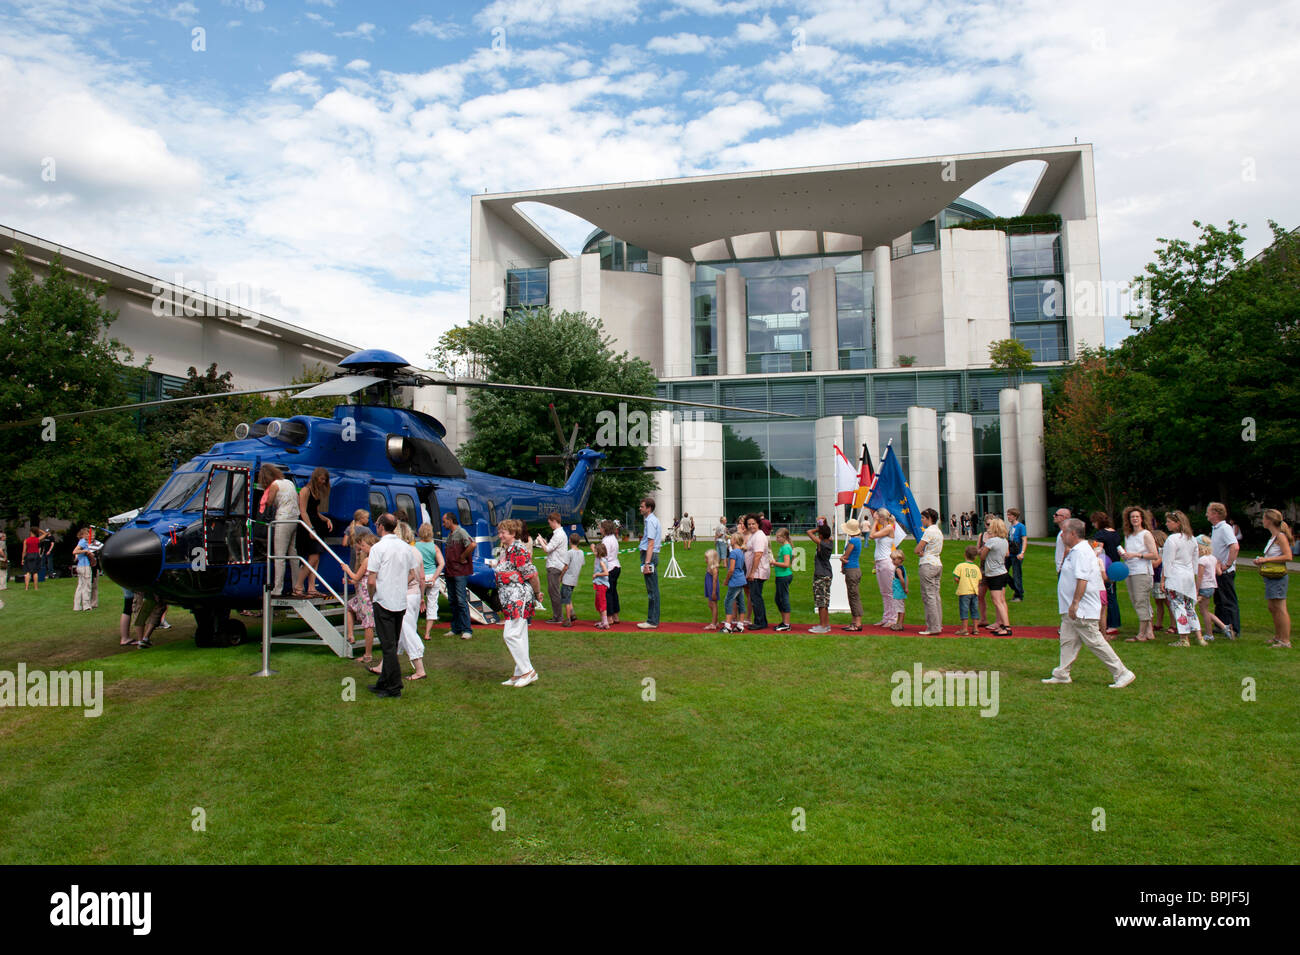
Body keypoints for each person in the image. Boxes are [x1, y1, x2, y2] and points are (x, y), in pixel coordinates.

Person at [1043, 518, 1135, 687]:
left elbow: (1082, 578)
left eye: (1063, 532)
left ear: (1072, 533)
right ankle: (1062, 673)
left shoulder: (1081, 552)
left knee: (1094, 640)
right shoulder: (1076, 551)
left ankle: (1122, 672)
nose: (1061, 535)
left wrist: (1075, 603)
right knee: (1068, 640)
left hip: (1082, 608)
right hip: (1072, 609)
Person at [365, 513, 415, 698]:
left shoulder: (378, 548)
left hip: (384, 600)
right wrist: (399, 583)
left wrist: (373, 596)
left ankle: (394, 686)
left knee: (388, 645)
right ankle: (384, 682)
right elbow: (412, 574)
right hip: (399, 600)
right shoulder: (405, 547)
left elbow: (371, 580)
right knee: (391, 643)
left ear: (380, 526)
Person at [494, 518, 541, 686]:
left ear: (513, 533)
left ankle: (528, 671)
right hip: (510, 599)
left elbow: (531, 573)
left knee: (511, 634)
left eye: (503, 532)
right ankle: (519, 673)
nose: (500, 535)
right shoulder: (505, 550)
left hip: (519, 597)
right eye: (499, 532)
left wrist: (537, 593)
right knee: (519, 635)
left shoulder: (517, 549)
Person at [1162, 510, 1205, 647]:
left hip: (1175, 576)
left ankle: (1184, 638)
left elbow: (1168, 561)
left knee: (1178, 606)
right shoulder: (1191, 539)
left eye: (1169, 521)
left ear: (1177, 523)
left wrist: (1163, 579)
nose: (1167, 524)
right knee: (1190, 607)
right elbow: (1195, 560)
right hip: (1188, 576)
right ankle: (1199, 637)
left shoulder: (1172, 539)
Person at [257, 464, 300, 598]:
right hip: (295, 518)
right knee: (293, 554)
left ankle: (277, 588)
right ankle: (297, 587)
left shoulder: (274, 485)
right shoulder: (288, 482)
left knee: (279, 555)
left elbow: (269, 502)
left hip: (283, 519)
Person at [1121, 506, 1159, 643]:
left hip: (1142, 572)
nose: (1135, 519)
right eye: (1132, 517)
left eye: (1137, 516)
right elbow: (1129, 553)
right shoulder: (1129, 535)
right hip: (1130, 571)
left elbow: (1154, 554)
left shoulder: (1146, 534)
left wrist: (1137, 555)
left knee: (1141, 600)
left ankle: (1141, 634)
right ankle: (1149, 630)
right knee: (1136, 601)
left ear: (1142, 519)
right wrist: (1125, 555)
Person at [293, 467, 333, 598]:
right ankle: (298, 585)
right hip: (307, 526)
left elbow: (315, 512)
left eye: (325, 480)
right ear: (315, 478)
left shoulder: (317, 493)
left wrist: (326, 519)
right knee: (313, 557)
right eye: (321, 479)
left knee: (316, 559)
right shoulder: (305, 490)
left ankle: (311, 587)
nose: (323, 482)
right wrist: (310, 528)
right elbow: (303, 511)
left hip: (316, 524)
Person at [1255, 508, 1292, 648]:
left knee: (1280, 607)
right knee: (1273, 607)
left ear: (1269, 520)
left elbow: (1288, 556)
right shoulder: (1273, 538)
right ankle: (1278, 636)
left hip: (1278, 577)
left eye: (1264, 518)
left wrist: (1265, 560)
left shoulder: (1280, 537)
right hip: (1271, 576)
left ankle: (1285, 640)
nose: (1262, 521)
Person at [1206, 503, 1242, 640]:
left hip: (1225, 572)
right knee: (1219, 599)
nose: (1206, 515)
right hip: (1217, 570)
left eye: (1208, 512)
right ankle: (1221, 624)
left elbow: (1234, 547)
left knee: (1228, 599)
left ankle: (1234, 627)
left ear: (1215, 513)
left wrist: (1227, 564)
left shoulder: (1225, 528)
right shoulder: (1216, 528)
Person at [342, 532, 376, 661]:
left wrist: (347, 569)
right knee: (349, 607)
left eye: (363, 545)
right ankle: (350, 634)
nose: (362, 548)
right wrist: (352, 581)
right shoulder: (377, 559)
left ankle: (368, 655)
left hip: (366, 595)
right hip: (364, 593)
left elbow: (357, 576)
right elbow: (361, 578)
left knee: (368, 624)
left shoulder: (368, 560)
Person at [442, 512, 474, 640]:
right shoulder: (450, 535)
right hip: (450, 571)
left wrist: (462, 556)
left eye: (444, 521)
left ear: (450, 521)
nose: (443, 524)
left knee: (461, 601)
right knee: (452, 601)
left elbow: (472, 544)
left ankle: (467, 629)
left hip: (460, 572)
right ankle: (456, 627)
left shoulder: (461, 532)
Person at [1090, 511, 1123, 635]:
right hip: (1114, 567)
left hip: (1104, 567)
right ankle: (1112, 622)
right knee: (1112, 595)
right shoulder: (1115, 533)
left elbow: (1097, 549)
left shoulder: (1101, 534)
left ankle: (1112, 624)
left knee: (1108, 597)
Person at [980, 517, 1012, 636]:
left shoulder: (991, 541)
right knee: (1002, 601)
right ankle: (1004, 624)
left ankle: (1007, 627)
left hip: (994, 574)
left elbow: (983, 556)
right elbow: (1007, 554)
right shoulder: (1004, 540)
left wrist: (984, 549)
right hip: (1002, 571)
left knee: (997, 601)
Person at [1195, 535, 1230, 641]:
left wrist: (1196, 590)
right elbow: (1219, 572)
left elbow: (1199, 577)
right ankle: (1224, 627)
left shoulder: (1202, 560)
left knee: (1204, 611)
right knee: (1205, 610)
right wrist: (1219, 564)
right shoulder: (1213, 558)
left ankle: (1210, 634)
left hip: (1204, 587)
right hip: (1212, 587)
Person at [914, 507, 944, 635]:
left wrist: (920, 551)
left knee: (929, 596)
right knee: (935, 595)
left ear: (929, 519)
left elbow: (917, 548)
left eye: (923, 518)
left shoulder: (929, 531)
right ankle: (938, 624)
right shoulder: (938, 531)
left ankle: (933, 627)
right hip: (937, 562)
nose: (921, 520)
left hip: (928, 563)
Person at [415, 523, 445, 640]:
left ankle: (413, 630)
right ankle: (427, 633)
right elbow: (441, 563)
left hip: (419, 578)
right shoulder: (434, 547)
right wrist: (434, 577)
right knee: (432, 604)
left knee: (415, 604)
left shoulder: (415, 546)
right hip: (432, 577)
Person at [869, 508, 896, 628]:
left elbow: (871, 535)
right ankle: (886, 617)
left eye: (877, 517)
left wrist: (874, 522)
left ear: (882, 518)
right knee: (884, 592)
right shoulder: (884, 528)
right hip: (880, 562)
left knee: (889, 592)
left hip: (886, 561)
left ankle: (893, 618)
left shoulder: (889, 528)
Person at [637, 497, 663, 629]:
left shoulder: (651, 521)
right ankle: (652, 619)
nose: (640, 508)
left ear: (649, 508)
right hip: (650, 555)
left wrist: (647, 563)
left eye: (642, 506)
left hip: (650, 556)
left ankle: (652, 621)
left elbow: (651, 543)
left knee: (652, 590)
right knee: (652, 589)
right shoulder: (651, 520)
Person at [744, 515, 771, 631]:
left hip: (758, 572)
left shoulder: (759, 536)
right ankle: (761, 621)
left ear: (758, 524)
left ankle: (760, 622)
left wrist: (752, 572)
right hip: (756, 571)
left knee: (756, 597)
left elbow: (758, 554)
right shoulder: (754, 535)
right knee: (756, 597)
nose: (751, 526)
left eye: (753, 523)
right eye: (749, 524)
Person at [541, 511, 568, 624]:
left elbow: (547, 549)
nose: (549, 525)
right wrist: (544, 542)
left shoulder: (558, 534)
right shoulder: (560, 534)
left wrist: (540, 542)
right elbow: (551, 547)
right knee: (554, 591)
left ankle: (558, 617)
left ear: (555, 521)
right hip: (557, 565)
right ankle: (558, 615)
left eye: (550, 522)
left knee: (554, 592)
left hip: (555, 565)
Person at [807, 524, 833, 634]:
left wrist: (817, 529)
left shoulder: (821, 544)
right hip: (827, 573)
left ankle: (822, 626)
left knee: (821, 601)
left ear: (821, 535)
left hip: (821, 574)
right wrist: (822, 527)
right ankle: (826, 624)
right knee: (825, 600)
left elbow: (809, 532)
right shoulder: (830, 542)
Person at [841, 517, 865, 632]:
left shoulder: (853, 541)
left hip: (852, 570)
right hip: (854, 569)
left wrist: (842, 558)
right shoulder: (857, 540)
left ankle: (857, 623)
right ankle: (854, 621)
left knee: (854, 596)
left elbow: (846, 556)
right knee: (853, 596)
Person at [952, 545, 982, 635]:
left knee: (964, 609)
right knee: (974, 609)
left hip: (964, 591)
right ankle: (975, 628)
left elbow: (956, 577)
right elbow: (979, 580)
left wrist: (961, 582)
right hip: (974, 591)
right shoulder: (976, 568)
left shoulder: (960, 566)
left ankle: (964, 628)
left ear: (965, 555)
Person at [722, 532, 748, 634]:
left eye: (731, 538)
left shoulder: (733, 553)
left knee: (728, 601)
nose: (730, 539)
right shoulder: (741, 552)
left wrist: (726, 580)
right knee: (740, 602)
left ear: (735, 541)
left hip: (735, 580)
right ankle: (740, 625)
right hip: (741, 579)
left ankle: (727, 626)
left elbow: (731, 569)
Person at [771, 527, 794, 632]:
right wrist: (776, 562)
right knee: (778, 599)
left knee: (783, 598)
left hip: (783, 576)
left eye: (778, 537)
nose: (777, 539)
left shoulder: (785, 547)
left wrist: (773, 562)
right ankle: (784, 621)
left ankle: (786, 623)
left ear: (784, 537)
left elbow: (786, 564)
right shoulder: (785, 547)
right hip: (781, 575)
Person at [599, 519, 622, 625]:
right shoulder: (613, 538)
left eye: (601, 528)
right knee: (613, 591)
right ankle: (615, 615)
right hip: (616, 565)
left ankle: (609, 617)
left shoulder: (606, 540)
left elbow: (604, 555)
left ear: (605, 529)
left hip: (609, 567)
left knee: (607, 592)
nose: (600, 529)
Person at [560, 533, 585, 627]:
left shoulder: (569, 553)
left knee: (566, 599)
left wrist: (560, 576)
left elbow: (566, 566)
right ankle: (572, 613)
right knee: (568, 596)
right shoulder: (581, 552)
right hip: (575, 578)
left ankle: (568, 619)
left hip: (567, 578)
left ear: (570, 541)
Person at [1006, 507, 1027, 602]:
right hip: (1010, 553)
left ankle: (1018, 595)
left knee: (1016, 574)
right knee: (1003, 571)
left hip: (1017, 553)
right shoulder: (1011, 527)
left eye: (1010, 515)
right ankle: (1016, 588)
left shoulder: (1020, 526)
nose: (1008, 517)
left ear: (1015, 516)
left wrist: (1022, 552)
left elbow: (1024, 539)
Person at [72, 529, 94, 611]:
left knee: (80, 586)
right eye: (87, 534)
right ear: (82, 535)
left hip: (80, 566)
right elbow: (75, 551)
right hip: (85, 566)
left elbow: (76, 554)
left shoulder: (81, 542)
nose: (88, 535)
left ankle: (77, 606)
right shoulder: (83, 542)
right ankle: (86, 605)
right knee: (87, 586)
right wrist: (86, 551)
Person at [592, 540, 611, 630]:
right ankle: (603, 621)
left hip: (601, 585)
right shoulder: (599, 558)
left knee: (602, 603)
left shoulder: (601, 562)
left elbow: (606, 573)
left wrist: (596, 574)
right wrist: (593, 547)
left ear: (599, 553)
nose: (594, 552)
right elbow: (594, 551)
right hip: (599, 584)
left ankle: (605, 622)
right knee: (598, 603)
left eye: (595, 551)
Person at [23, 526, 47, 590]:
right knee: (35, 572)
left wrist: (22, 559)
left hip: (28, 555)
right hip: (36, 555)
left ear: (30, 532)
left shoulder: (26, 540)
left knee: (28, 572)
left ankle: (26, 587)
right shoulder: (37, 539)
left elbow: (24, 551)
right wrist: (39, 530)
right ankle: (36, 587)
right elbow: (45, 534)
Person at [702, 547, 721, 631]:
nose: (705, 560)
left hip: (713, 587)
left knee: (713, 604)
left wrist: (713, 592)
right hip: (709, 586)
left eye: (706, 558)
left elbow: (715, 581)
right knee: (710, 604)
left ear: (711, 559)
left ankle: (713, 623)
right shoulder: (709, 566)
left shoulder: (714, 569)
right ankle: (715, 621)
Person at [890, 549, 908, 630]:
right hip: (899, 591)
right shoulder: (902, 568)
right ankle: (898, 623)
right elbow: (906, 578)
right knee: (899, 608)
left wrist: (904, 588)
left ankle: (900, 625)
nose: (892, 561)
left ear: (900, 559)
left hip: (898, 592)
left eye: (894, 559)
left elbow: (902, 579)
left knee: (900, 609)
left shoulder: (898, 569)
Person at [1052, 507, 1071, 573]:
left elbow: (1068, 549)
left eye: (1056, 515)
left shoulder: (1066, 531)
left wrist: (1062, 565)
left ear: (1064, 517)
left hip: (1064, 569)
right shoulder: (1063, 531)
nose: (1054, 516)